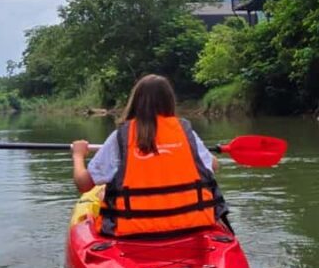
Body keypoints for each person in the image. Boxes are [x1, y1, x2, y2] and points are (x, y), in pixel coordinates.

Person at [72, 74, 229, 238]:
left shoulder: (121, 137)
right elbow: (214, 165)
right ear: (170, 101)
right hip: (192, 227)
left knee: (104, 193)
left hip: (134, 233)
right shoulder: (185, 131)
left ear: (135, 102)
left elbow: (84, 185)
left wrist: (78, 155)